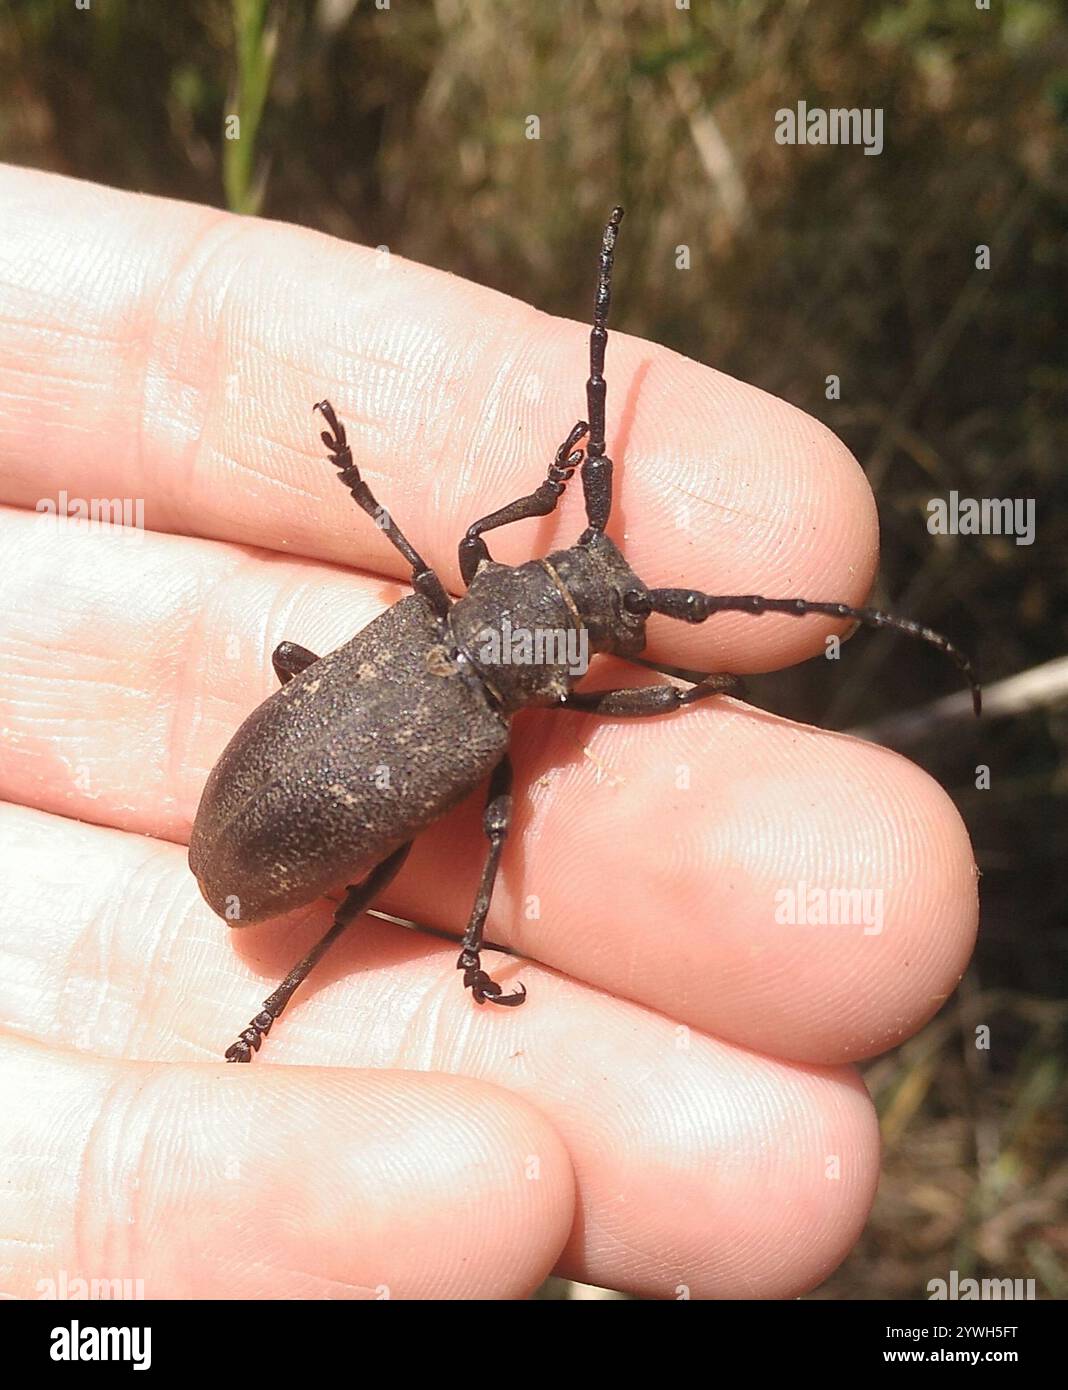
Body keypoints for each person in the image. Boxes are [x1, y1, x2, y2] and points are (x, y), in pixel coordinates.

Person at [0, 165, 978, 1299]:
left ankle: (321, 985)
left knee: (384, 796)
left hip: (256, 818)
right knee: (392, 863)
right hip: (254, 819)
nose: (594, 570)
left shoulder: (450, 590)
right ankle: (320, 986)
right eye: (580, 565)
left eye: (583, 576)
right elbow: (539, 741)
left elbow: (436, 540)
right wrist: (679, 677)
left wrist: (503, 499)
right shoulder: (495, 703)